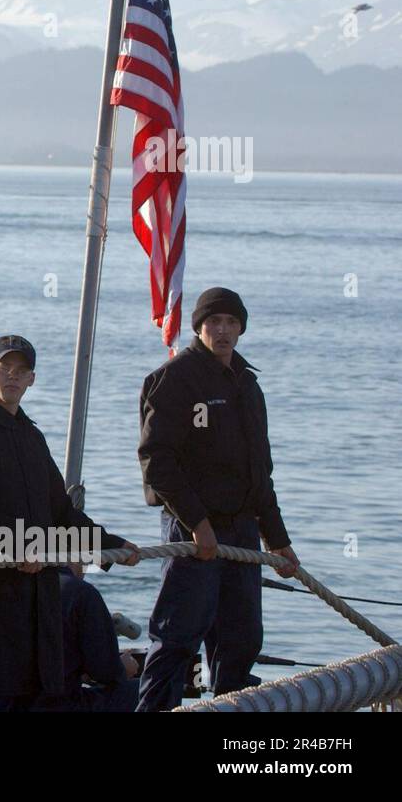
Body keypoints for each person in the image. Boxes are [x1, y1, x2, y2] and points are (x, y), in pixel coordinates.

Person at [0, 335, 139, 712]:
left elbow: (60, 512)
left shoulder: (31, 437)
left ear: (32, 379)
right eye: (3, 369)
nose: (12, 377)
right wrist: (20, 547)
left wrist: (109, 545)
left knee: (31, 693)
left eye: (21, 371)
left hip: (35, 604)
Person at [136, 288, 298, 711]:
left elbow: (260, 472)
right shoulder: (177, 378)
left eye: (231, 322)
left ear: (241, 328)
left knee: (241, 640)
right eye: (214, 322)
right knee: (177, 638)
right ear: (199, 327)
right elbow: (157, 461)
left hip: (243, 531)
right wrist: (196, 522)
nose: (223, 330)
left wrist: (277, 538)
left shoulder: (247, 384)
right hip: (194, 532)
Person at [31, 567, 140, 712]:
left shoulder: (9, 590)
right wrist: (123, 667)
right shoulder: (80, 592)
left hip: (5, 703)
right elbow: (106, 673)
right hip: (59, 705)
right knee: (153, 688)